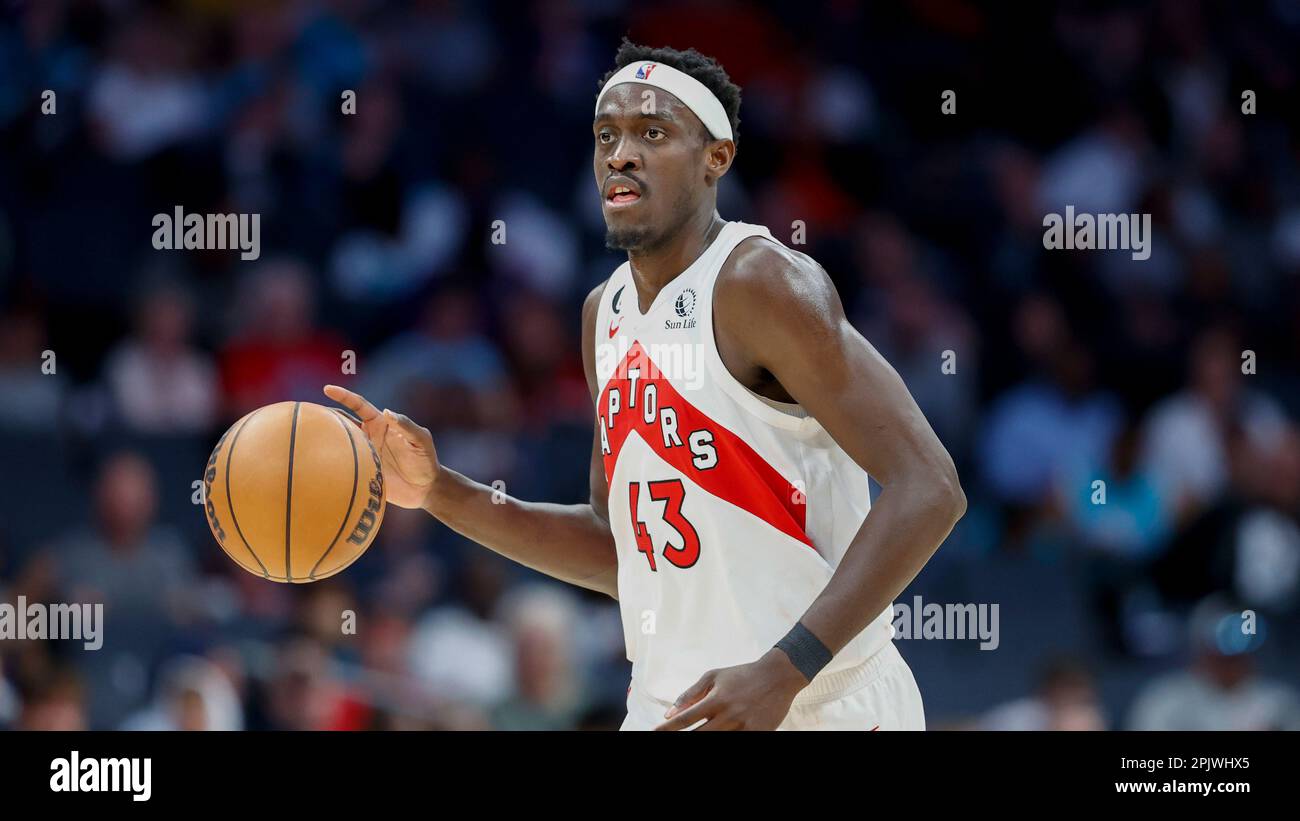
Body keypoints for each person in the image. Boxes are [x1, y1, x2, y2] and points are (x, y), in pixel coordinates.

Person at [324, 41, 965, 730]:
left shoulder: (762, 283)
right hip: (671, 704)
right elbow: (617, 549)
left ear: (716, 156)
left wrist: (786, 667)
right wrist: (441, 491)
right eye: (607, 135)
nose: (621, 154)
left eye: (651, 133)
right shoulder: (605, 311)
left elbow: (931, 486)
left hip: (813, 700)